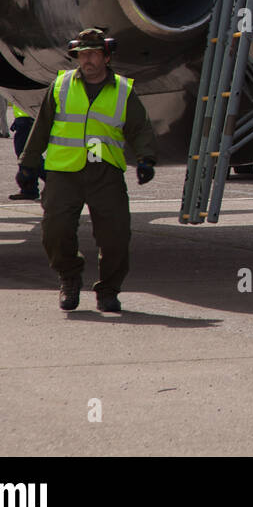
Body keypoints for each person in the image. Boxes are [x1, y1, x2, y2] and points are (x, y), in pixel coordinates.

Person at [16, 28, 158, 313]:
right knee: (54, 232)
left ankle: (109, 290)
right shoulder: (61, 85)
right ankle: (69, 278)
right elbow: (42, 126)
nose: (87, 59)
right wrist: (28, 163)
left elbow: (140, 128)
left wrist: (146, 159)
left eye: (93, 54)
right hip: (63, 171)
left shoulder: (123, 91)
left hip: (105, 172)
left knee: (116, 236)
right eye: (82, 54)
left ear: (106, 57)